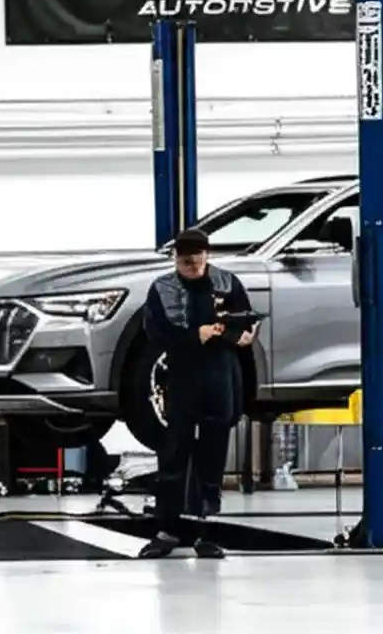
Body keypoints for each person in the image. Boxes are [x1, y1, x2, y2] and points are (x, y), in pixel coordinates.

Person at [138, 228, 257, 559]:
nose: (191, 266)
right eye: (185, 261)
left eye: (197, 259)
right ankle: (167, 530)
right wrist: (194, 336)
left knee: (213, 455)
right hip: (182, 377)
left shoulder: (228, 283)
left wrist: (241, 336)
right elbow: (156, 333)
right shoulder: (161, 289)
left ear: (207, 255)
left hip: (221, 377)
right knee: (174, 453)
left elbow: (245, 322)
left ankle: (206, 529)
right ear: (175, 259)